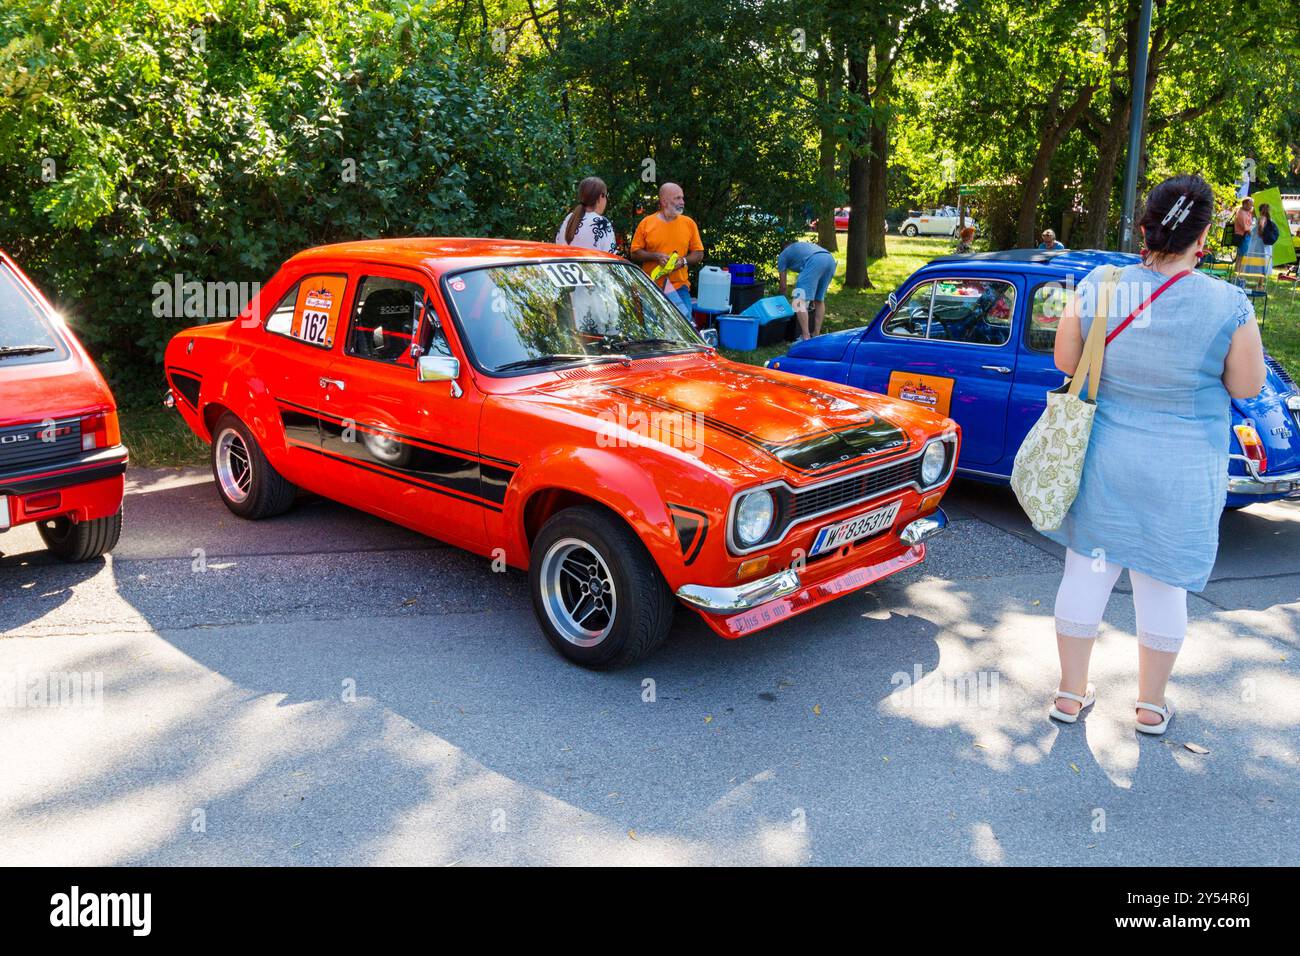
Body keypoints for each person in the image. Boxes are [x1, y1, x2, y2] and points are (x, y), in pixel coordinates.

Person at [1044, 173, 1266, 735]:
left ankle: (1070, 695)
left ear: (1145, 227)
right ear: (1205, 235)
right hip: (1180, 471)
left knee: (1086, 574)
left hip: (1104, 462)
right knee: (1162, 584)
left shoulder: (1099, 284)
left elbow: (1066, 362)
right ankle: (1149, 705)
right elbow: (1246, 386)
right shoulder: (1229, 303)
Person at [629, 182, 704, 318]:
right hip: (651, 286)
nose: (682, 202)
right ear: (664, 202)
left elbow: (698, 253)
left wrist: (683, 261)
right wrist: (655, 256)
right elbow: (634, 253)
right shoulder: (646, 223)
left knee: (684, 327)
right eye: (677, 198)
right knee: (653, 331)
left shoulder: (689, 223)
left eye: (682, 198)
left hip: (679, 287)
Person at [777, 240, 837, 339]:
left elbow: (783, 286)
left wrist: (780, 302)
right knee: (819, 300)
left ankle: (805, 337)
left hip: (815, 261)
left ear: (783, 249)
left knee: (798, 300)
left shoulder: (783, 255)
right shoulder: (801, 247)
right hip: (830, 259)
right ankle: (816, 334)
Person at [555, 176, 617, 254]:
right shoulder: (602, 223)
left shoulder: (569, 218)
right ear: (601, 196)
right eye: (606, 196)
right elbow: (610, 258)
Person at [1233, 196, 1255, 264]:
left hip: (1245, 235)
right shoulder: (1241, 213)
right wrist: (1253, 235)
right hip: (1243, 235)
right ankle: (1238, 271)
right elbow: (1246, 228)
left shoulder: (1246, 211)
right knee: (1242, 255)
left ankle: (1239, 270)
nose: (1251, 207)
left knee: (1242, 255)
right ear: (1245, 204)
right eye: (1250, 205)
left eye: (1252, 205)